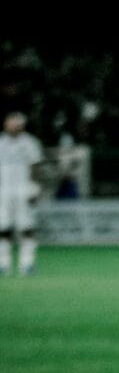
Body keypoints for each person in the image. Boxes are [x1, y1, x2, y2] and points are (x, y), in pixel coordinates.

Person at [0, 113, 44, 276]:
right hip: (3, 191)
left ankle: (27, 263)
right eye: (10, 124)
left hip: (23, 191)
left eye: (16, 124)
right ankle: (3, 263)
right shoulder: (1, 142)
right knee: (3, 227)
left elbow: (35, 167)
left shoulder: (30, 143)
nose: (13, 127)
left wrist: (34, 188)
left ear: (22, 126)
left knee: (27, 227)